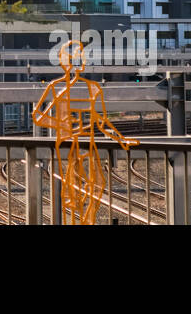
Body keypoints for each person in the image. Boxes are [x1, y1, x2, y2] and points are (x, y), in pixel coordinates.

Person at [32, 39, 136, 224]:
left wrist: (121, 140)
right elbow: (38, 116)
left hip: (88, 142)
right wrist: (62, 124)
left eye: (81, 57)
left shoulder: (93, 88)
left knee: (99, 184)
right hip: (67, 143)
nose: (78, 62)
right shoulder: (56, 87)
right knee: (71, 191)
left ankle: (87, 220)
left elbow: (103, 122)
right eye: (73, 58)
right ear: (64, 61)